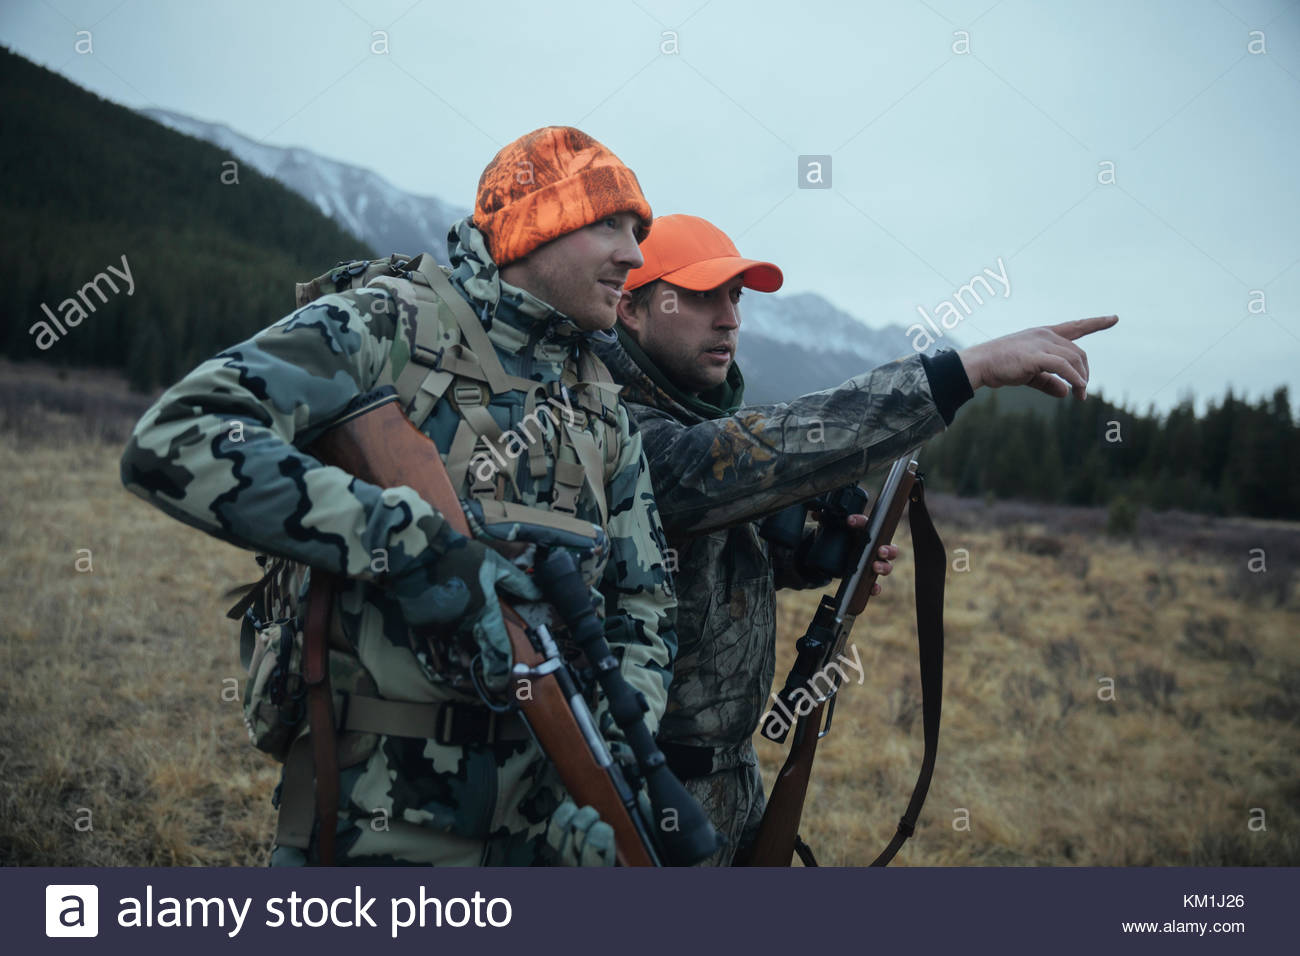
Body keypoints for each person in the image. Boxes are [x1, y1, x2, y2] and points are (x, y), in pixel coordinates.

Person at [120, 127, 677, 866]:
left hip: (546, 830)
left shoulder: (601, 402)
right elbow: (178, 436)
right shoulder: (387, 323)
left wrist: (607, 758)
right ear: (537, 226)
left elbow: (645, 605)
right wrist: (407, 543)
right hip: (373, 822)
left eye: (638, 233)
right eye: (611, 225)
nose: (634, 256)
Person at [597, 213, 1118, 864]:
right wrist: (965, 371)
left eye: (735, 297)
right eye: (702, 296)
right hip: (640, 795)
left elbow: (712, 553)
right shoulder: (622, 434)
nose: (730, 318)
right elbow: (764, 450)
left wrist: (817, 557)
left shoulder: (696, 416)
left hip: (729, 780)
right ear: (632, 309)